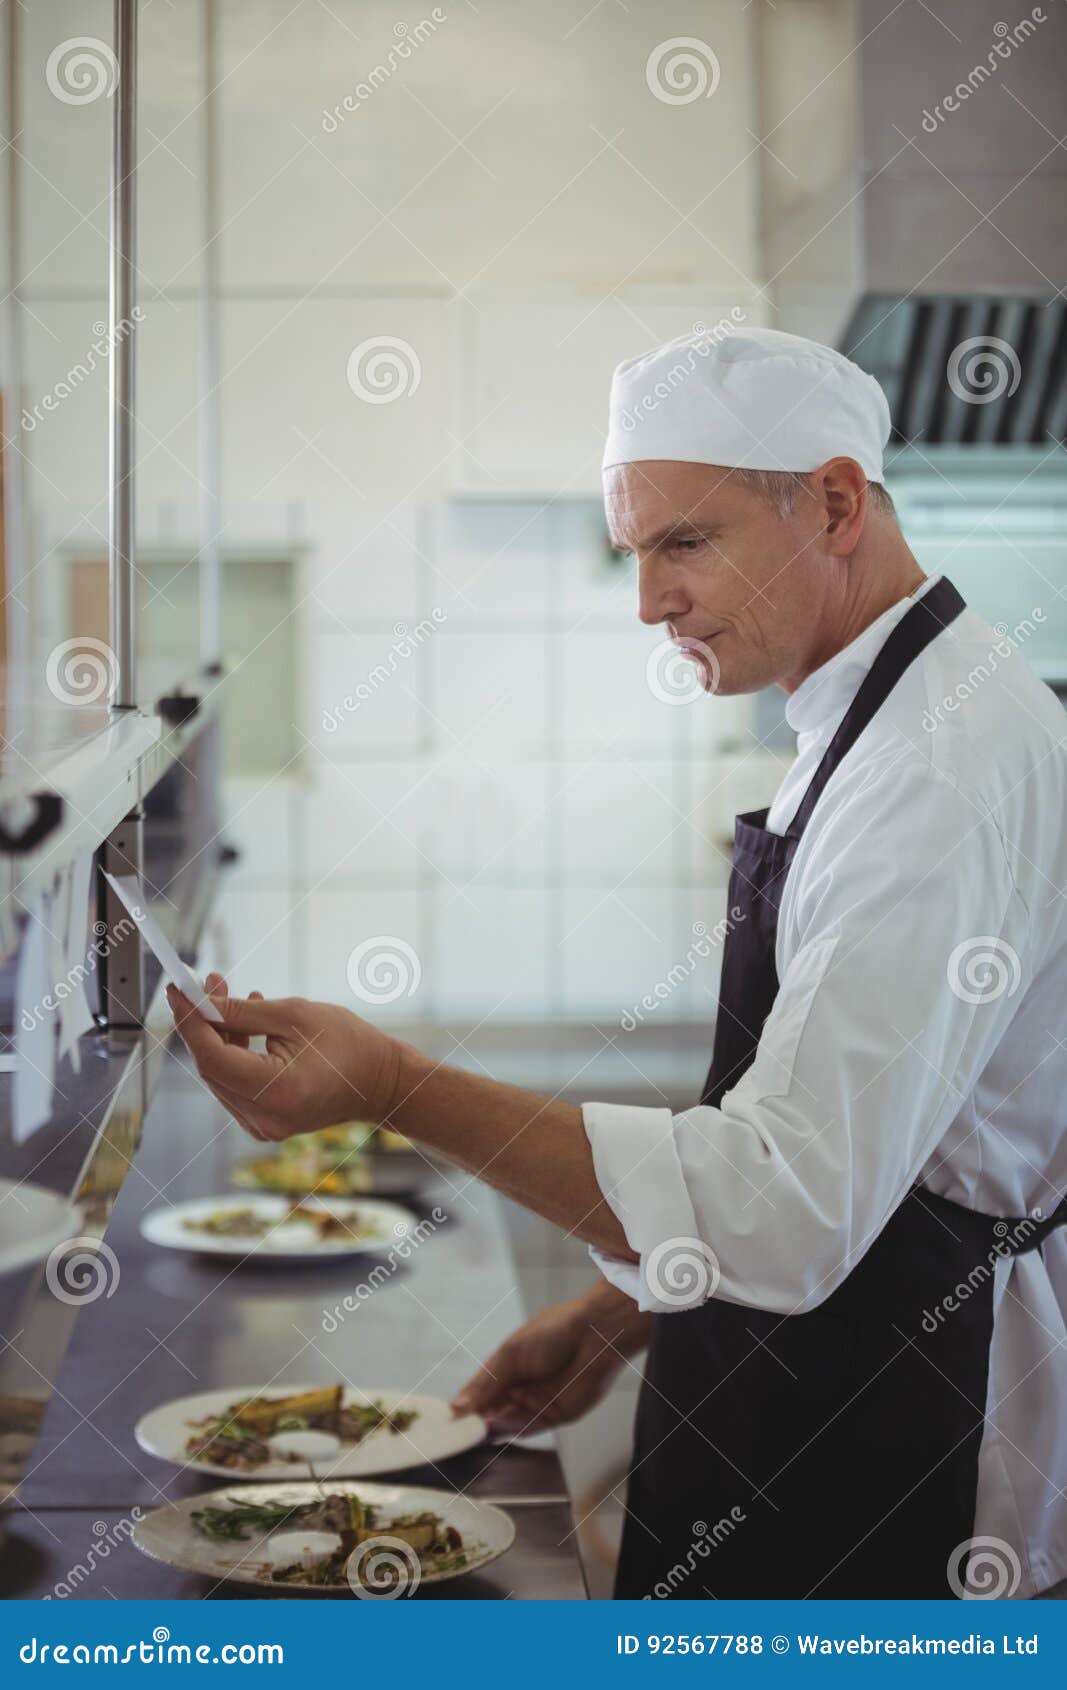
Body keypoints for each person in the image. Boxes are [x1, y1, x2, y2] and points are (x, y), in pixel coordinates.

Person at [170, 326, 1067, 1599]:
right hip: (826, 1362)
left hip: (905, 1427)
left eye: (682, 544)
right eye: (633, 552)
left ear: (831, 504)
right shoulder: (865, 714)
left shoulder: (934, 764)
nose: (649, 602)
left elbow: (791, 1198)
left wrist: (392, 1087)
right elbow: (873, 1141)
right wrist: (623, 1309)